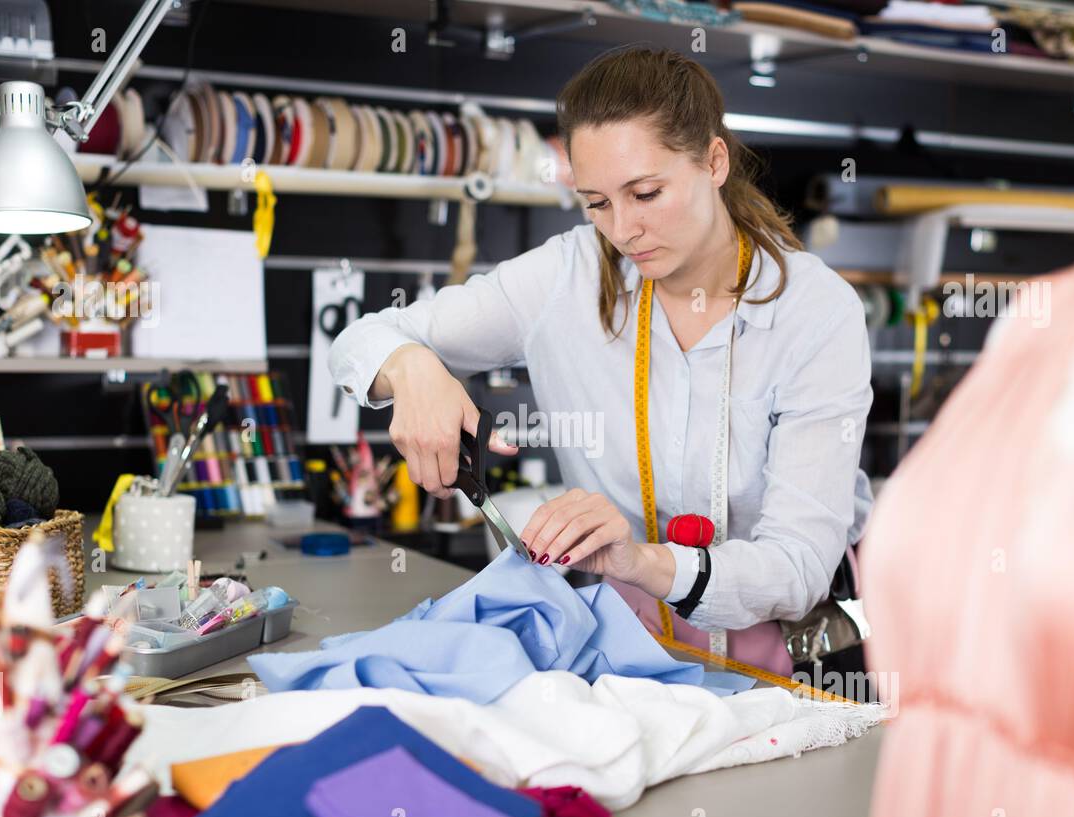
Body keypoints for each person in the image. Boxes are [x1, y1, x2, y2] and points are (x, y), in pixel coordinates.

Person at [329, 44, 873, 677]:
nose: (623, 230)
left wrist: (640, 562)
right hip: (635, 644)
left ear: (715, 160)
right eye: (597, 202)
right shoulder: (568, 276)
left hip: (792, 647)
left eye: (646, 193)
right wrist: (413, 366)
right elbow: (362, 339)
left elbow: (798, 563)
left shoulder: (815, 310)